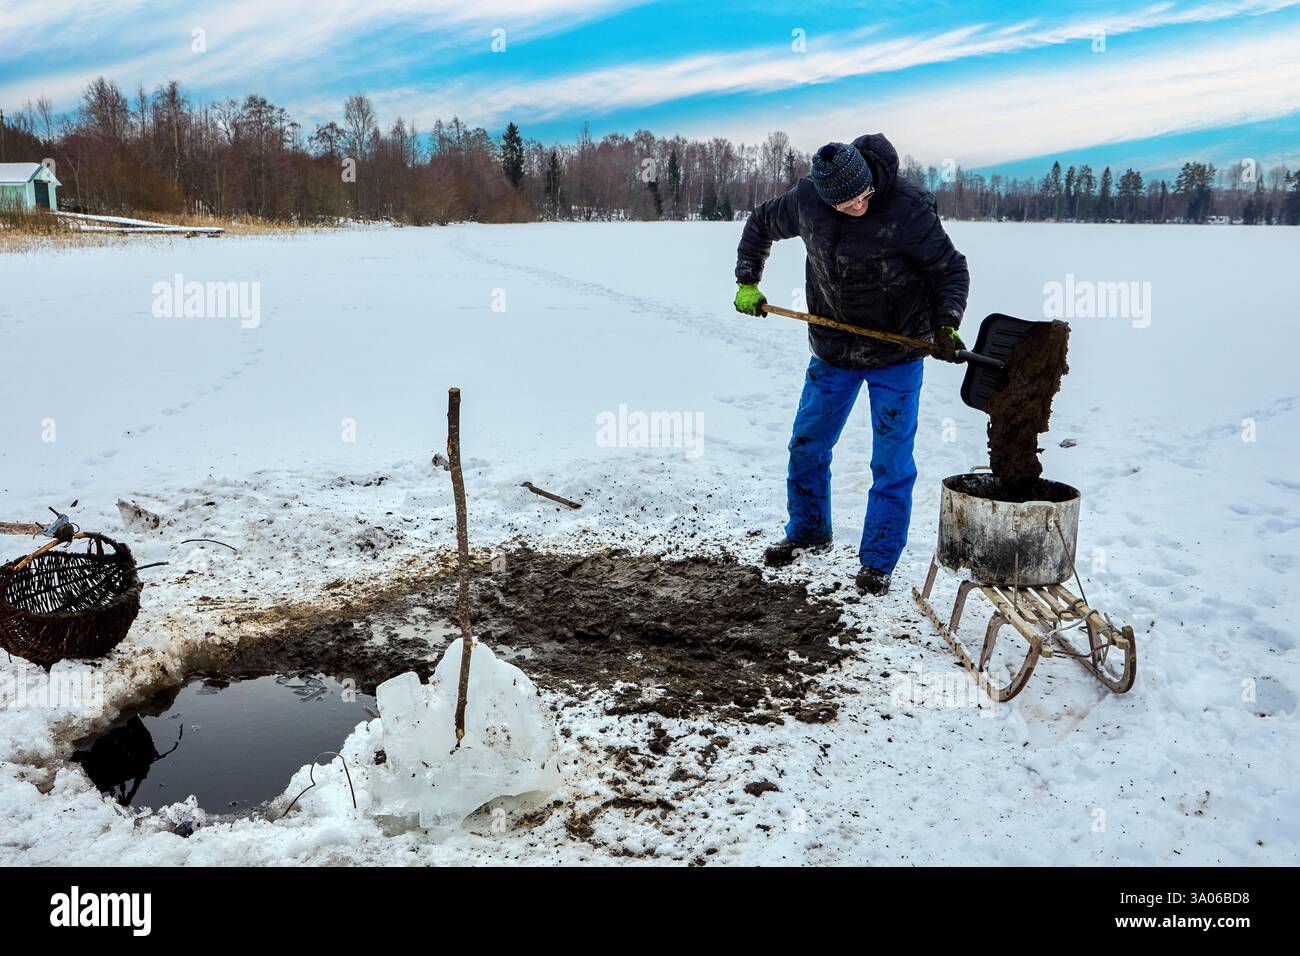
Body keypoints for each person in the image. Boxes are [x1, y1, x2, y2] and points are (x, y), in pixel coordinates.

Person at [733, 133, 970, 595]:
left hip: (897, 353)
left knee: (891, 461)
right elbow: (760, 223)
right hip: (832, 348)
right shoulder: (806, 201)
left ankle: (878, 559)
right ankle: (808, 531)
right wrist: (748, 279)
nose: (856, 207)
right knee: (807, 445)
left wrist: (946, 324)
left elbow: (949, 269)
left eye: (862, 198)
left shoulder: (909, 207)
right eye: (844, 205)